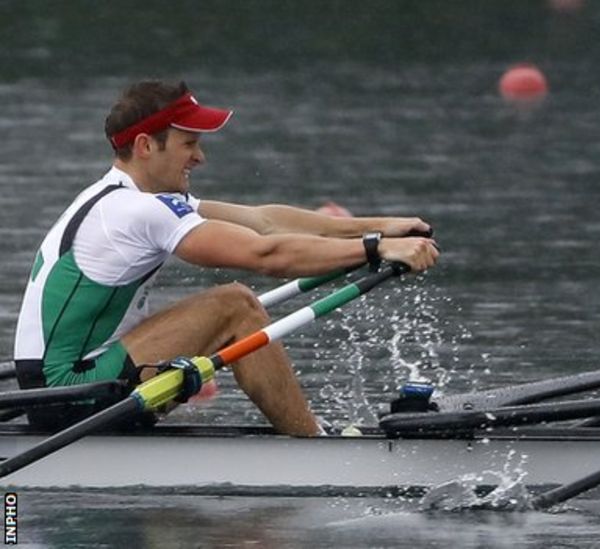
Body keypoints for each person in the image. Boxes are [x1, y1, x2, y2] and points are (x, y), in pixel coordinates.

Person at [13, 80, 439, 436]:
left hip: (62, 383)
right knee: (235, 306)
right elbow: (265, 254)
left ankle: (309, 438)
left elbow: (263, 222)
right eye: (188, 143)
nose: (200, 157)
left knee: (235, 306)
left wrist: (383, 226)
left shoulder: (126, 198)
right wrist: (376, 249)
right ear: (146, 146)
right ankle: (311, 445)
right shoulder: (133, 211)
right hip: (67, 392)